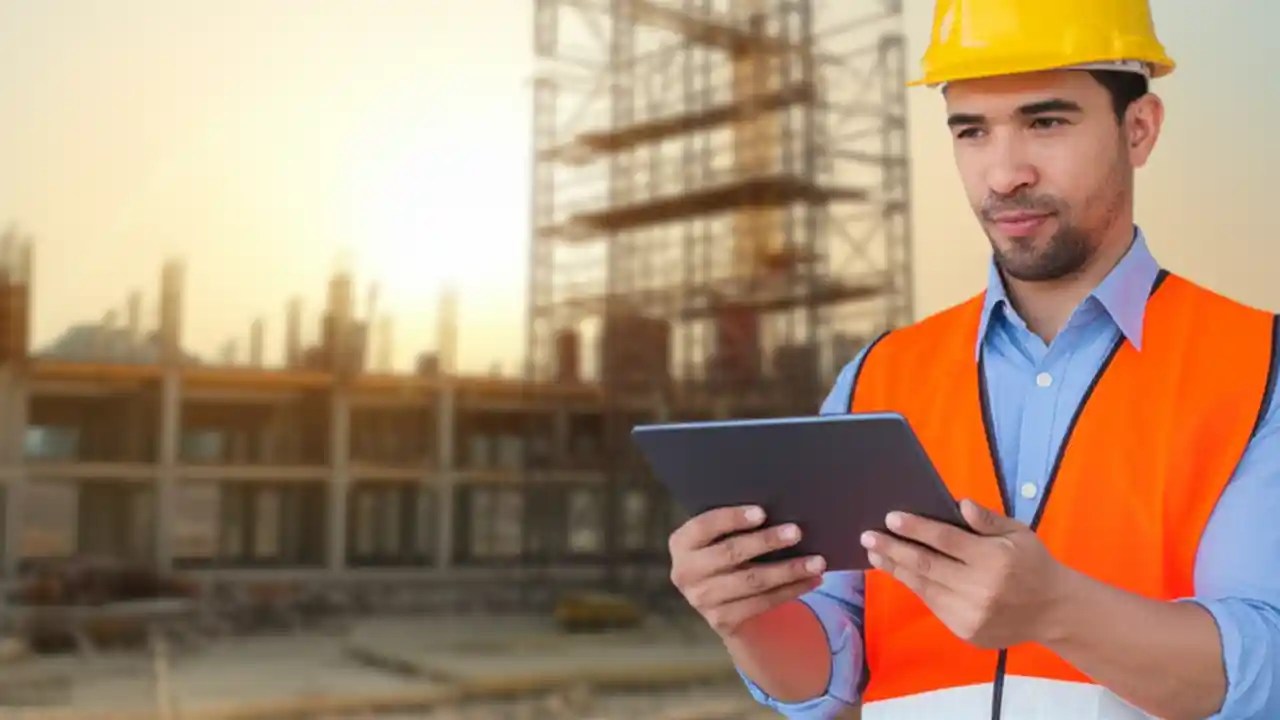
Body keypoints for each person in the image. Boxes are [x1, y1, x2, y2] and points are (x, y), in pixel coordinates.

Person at [665, 1, 1280, 718]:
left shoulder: (1257, 367)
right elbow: (830, 676)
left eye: (1046, 122)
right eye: (972, 131)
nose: (1005, 174)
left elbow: (1266, 668)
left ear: (1138, 128)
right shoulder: (880, 375)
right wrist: (747, 615)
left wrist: (1057, 611)